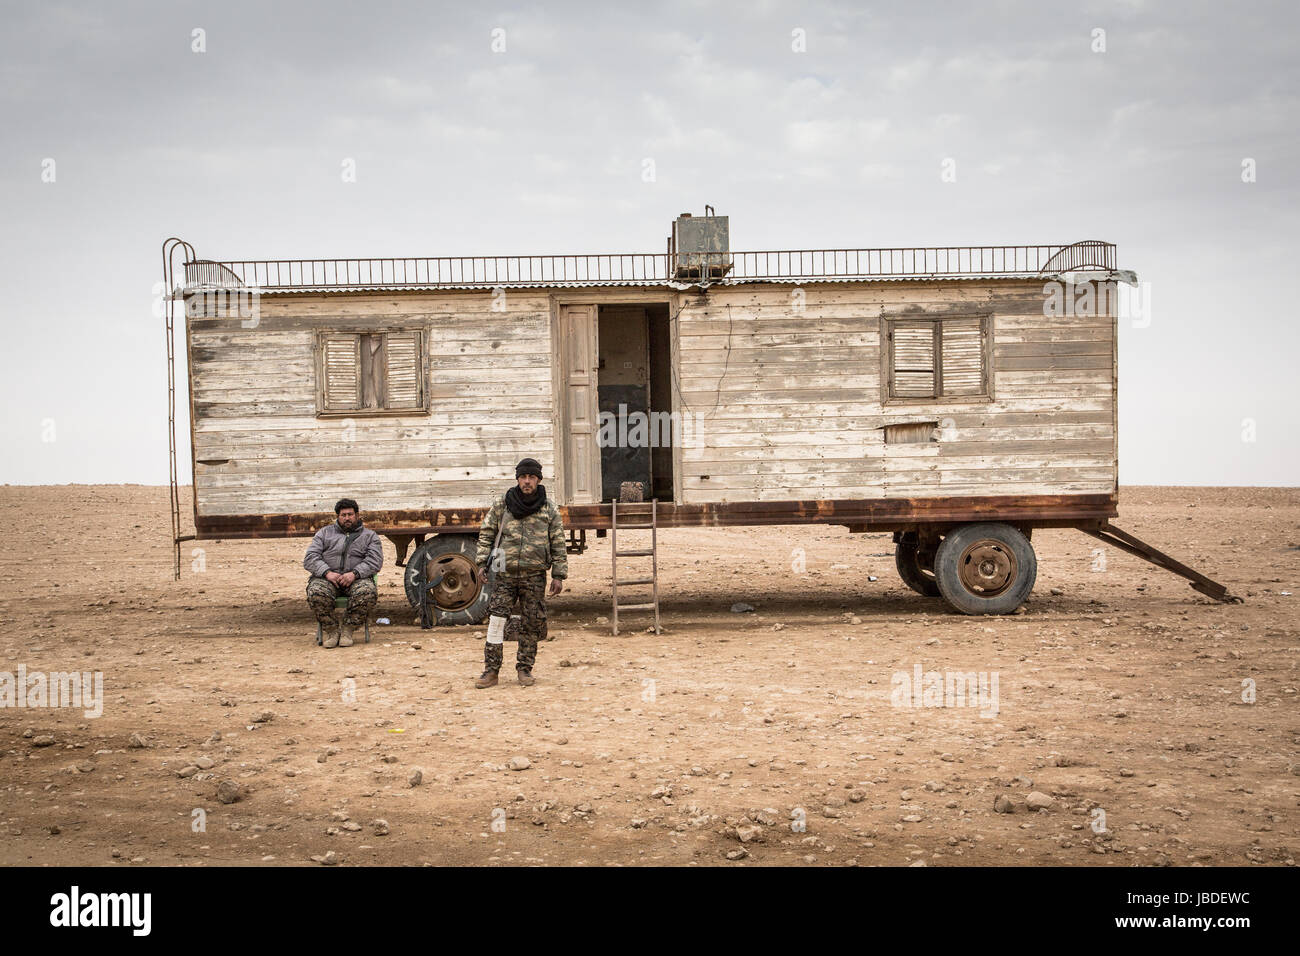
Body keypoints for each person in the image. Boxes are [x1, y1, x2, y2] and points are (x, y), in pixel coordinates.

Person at [473, 458, 566, 687]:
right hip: (504, 573)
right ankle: (491, 671)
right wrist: (481, 563)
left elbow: (558, 542)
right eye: (523, 477)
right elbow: (486, 534)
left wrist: (558, 574)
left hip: (534, 574)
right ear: (517, 479)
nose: (527, 481)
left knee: (531, 623)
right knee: (496, 621)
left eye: (531, 477)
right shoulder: (502, 505)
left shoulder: (549, 509)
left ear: (538, 480)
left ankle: (525, 669)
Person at [303, 498, 383, 648]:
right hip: (328, 579)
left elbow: (375, 561)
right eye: (343, 515)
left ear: (357, 516)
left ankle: (348, 630)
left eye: (350, 514)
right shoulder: (324, 533)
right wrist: (327, 573)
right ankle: (332, 631)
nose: (347, 518)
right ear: (338, 517)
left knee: (367, 592)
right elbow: (310, 558)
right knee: (315, 593)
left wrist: (355, 573)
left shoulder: (370, 536)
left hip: (357, 579)